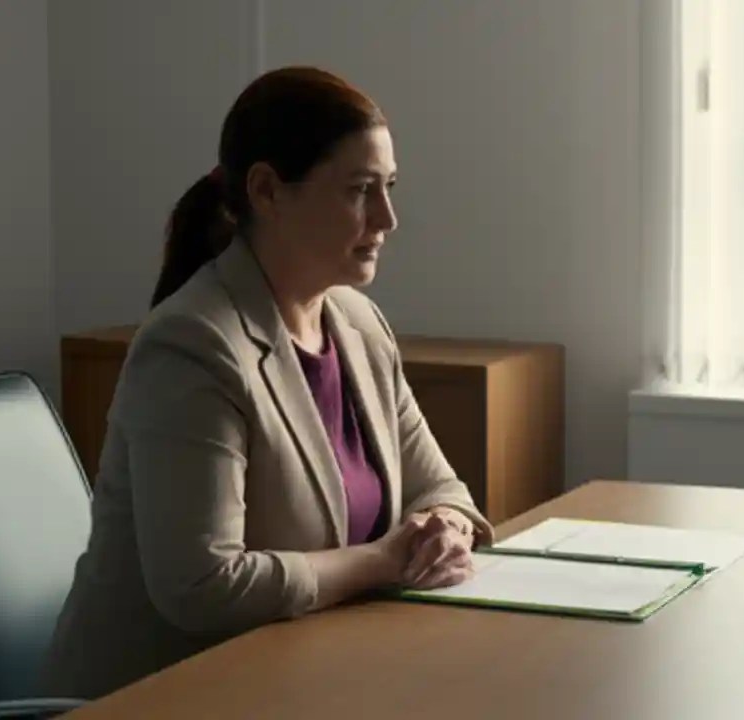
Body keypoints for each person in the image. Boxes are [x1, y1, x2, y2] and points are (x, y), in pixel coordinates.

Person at [41, 66, 494, 700]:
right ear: (267, 191)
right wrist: (386, 562)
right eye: (359, 190)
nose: (387, 217)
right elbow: (203, 586)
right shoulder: (192, 344)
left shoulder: (359, 324)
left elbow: (440, 487)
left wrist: (444, 526)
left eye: (388, 187)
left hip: (305, 676)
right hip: (160, 695)